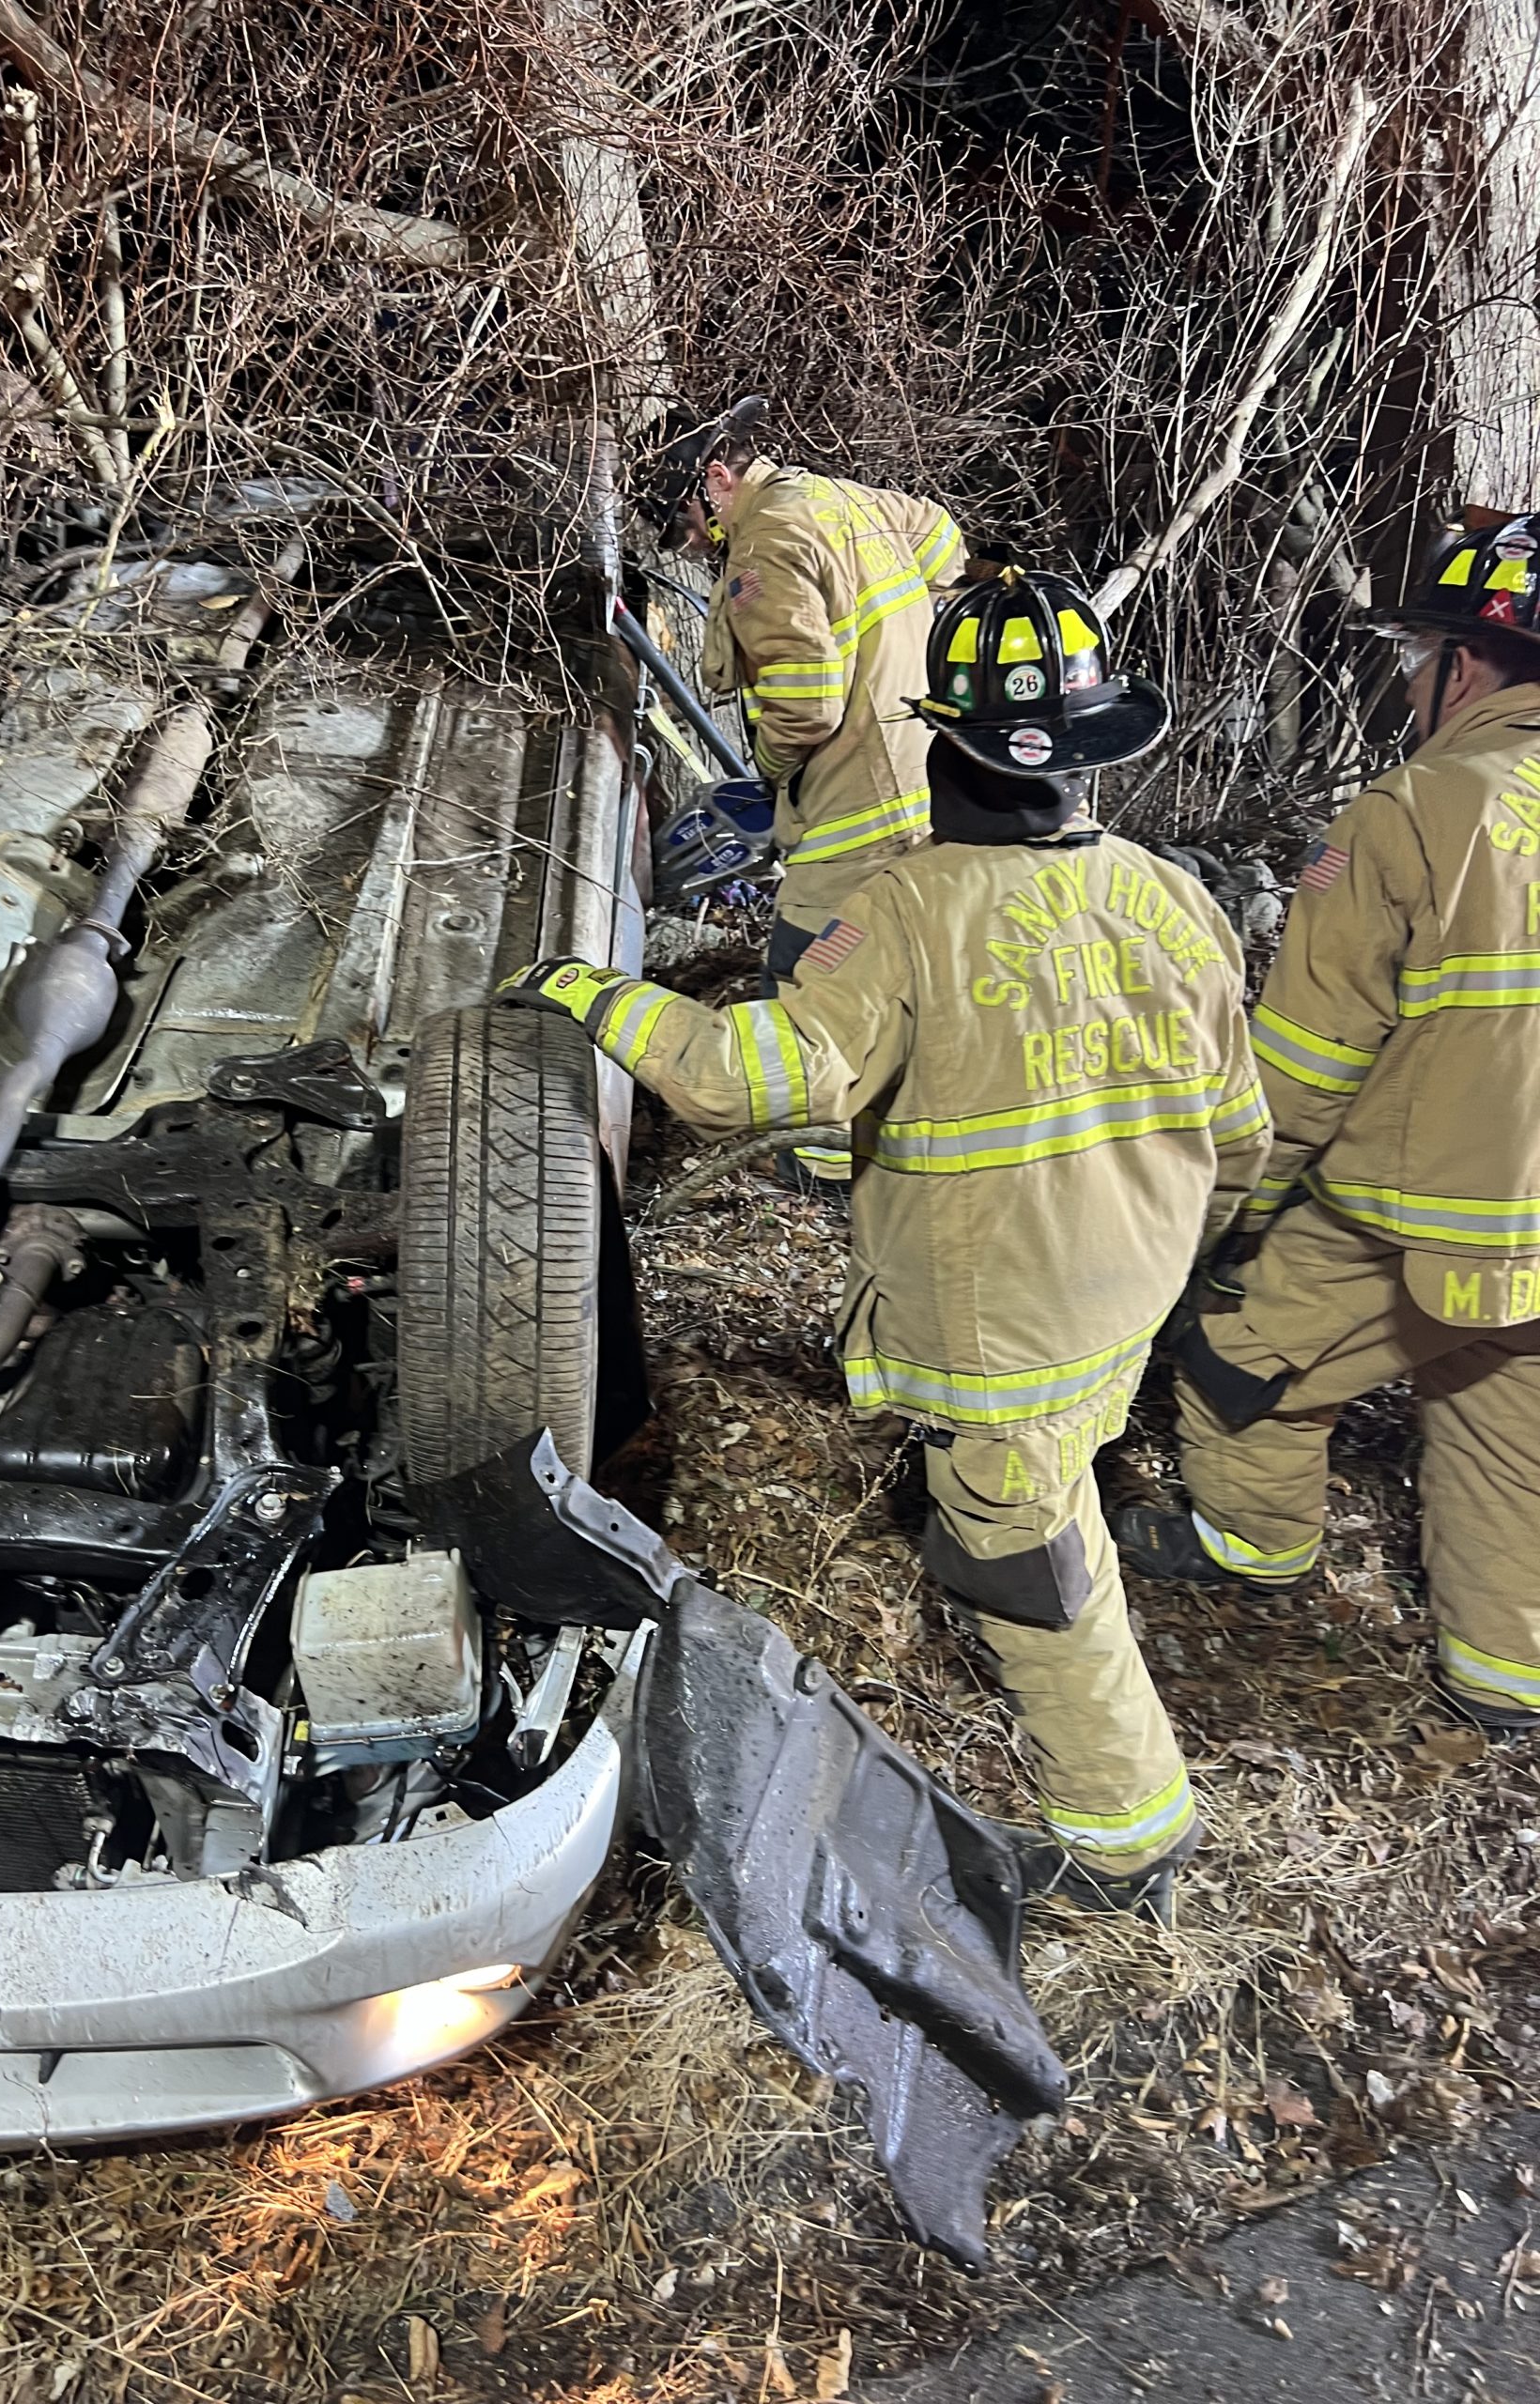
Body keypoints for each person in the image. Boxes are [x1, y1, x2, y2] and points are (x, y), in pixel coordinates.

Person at [503, 567, 1270, 1916]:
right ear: (1090, 753)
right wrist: (1167, 1264)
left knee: (1025, 1560)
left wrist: (597, 999)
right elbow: (1242, 1137)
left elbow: (756, 1076)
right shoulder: (1174, 898)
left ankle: (1128, 1835)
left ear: (942, 740)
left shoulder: (905, 911)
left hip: (1004, 1335)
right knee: (1047, 1468)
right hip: (1130, 1293)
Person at [1116, 517, 1540, 1743]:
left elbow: (1301, 1066)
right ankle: (1506, 1679)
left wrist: (1224, 1209)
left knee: (1239, 1359)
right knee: (1503, 1413)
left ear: (1464, 666)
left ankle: (1253, 1545)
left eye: (1422, 661)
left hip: (1422, 1216)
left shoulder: (1415, 811)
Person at [637, 397, 969, 1189]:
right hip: (934, 775)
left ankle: (817, 1171)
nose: (687, 541)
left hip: (860, 804)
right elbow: (947, 546)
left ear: (715, 479)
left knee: (807, 978)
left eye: (683, 519)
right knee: (912, 964)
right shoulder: (842, 498)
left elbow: (806, 702)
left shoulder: (765, 549)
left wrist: (776, 774)